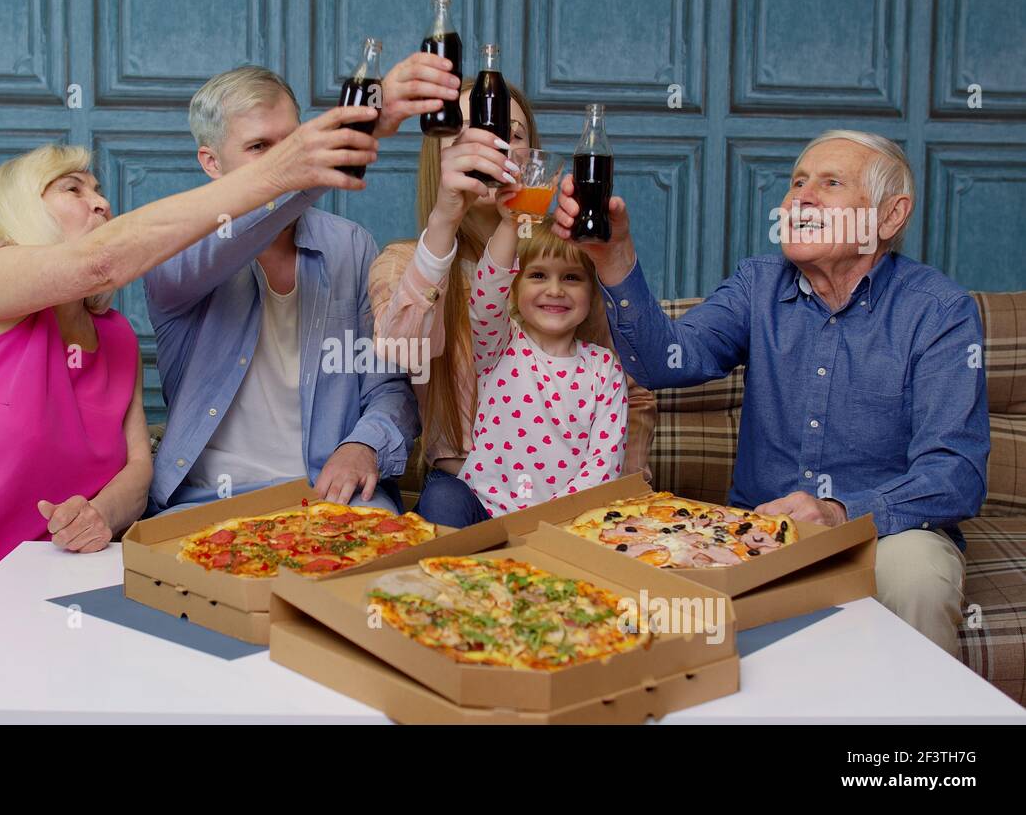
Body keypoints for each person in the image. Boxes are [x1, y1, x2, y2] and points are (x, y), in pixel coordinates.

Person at [0, 107, 379, 723]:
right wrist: (283, 171)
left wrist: (98, 514)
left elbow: (135, 471)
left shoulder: (116, 337)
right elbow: (101, 263)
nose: (99, 203)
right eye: (73, 189)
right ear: (22, 209)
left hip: (12, 576)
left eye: (99, 191)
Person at [552, 129, 989, 657]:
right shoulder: (758, 285)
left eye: (830, 183)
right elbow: (665, 362)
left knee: (920, 574)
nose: (800, 197)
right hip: (759, 532)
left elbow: (955, 474)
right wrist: (613, 255)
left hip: (885, 535)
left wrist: (836, 512)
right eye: (797, 181)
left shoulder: (939, 311)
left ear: (890, 216)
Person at [143, 58, 461, 513]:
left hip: (331, 498)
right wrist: (352, 140)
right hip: (204, 501)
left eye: (291, 142)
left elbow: (388, 386)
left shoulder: (350, 245)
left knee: (387, 571)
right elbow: (239, 227)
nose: (283, 159)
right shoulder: (177, 247)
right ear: (211, 162)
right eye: (258, 147)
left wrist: (365, 446)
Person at [369, 81, 657, 527]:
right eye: (469, 131)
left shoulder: (570, 264)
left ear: (530, 157)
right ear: (439, 157)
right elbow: (406, 350)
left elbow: (629, 393)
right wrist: (444, 218)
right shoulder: (405, 263)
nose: (494, 145)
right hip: (468, 494)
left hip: (570, 501)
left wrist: (617, 500)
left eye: (514, 134)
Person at [459, 221, 628, 517]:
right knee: (441, 496)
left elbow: (604, 465)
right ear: (512, 290)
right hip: (481, 508)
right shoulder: (500, 342)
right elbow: (485, 297)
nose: (554, 290)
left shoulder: (604, 368)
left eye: (571, 277)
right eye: (538, 275)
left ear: (593, 293)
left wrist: (548, 519)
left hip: (562, 519)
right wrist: (511, 221)